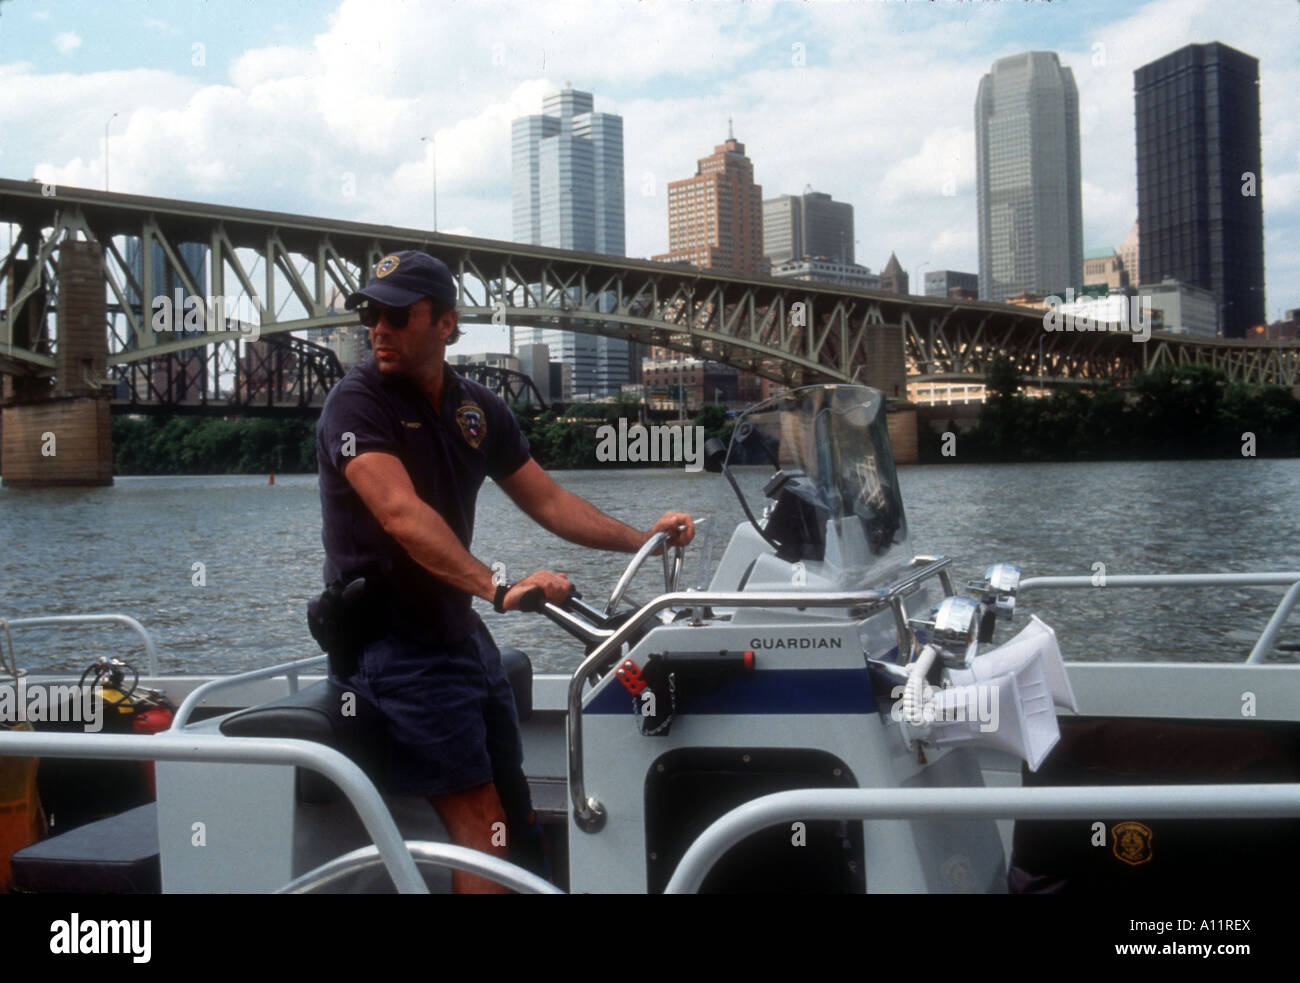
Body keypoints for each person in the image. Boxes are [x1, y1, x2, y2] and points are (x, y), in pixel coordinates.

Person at [315, 250, 695, 893]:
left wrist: (643, 541)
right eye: (369, 312)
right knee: (481, 826)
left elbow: (547, 500)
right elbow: (402, 515)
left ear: (447, 325)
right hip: (391, 651)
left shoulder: (475, 409)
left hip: (457, 637)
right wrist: (498, 587)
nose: (378, 326)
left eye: (397, 314)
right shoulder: (356, 407)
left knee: (513, 814)